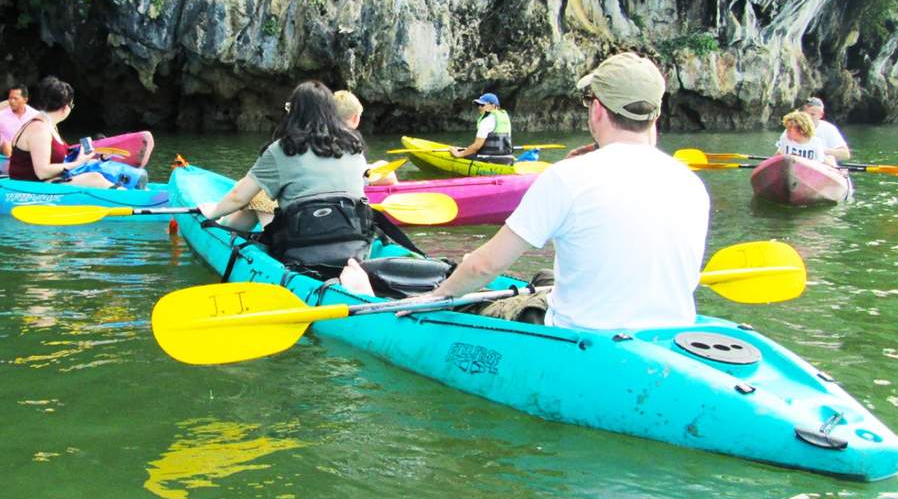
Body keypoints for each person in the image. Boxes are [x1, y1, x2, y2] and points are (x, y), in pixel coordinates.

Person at [348, 52, 709, 330]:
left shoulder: (568, 177)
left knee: (466, 301)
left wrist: (436, 297)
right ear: (655, 114)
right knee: (544, 280)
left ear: (597, 109)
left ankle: (364, 296)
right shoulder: (692, 184)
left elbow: (485, 265)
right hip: (666, 331)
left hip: (580, 336)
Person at [199, 81, 372, 280]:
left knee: (259, 197)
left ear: (295, 113)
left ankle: (223, 226)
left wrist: (212, 212)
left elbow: (239, 197)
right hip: (355, 247)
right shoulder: (353, 146)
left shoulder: (283, 149)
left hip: (300, 251)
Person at [7, 76, 111, 187]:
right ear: (66, 107)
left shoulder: (49, 124)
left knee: (96, 169)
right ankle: (128, 199)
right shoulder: (39, 129)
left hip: (46, 182)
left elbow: (60, 160)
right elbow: (42, 172)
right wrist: (77, 163)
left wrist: (96, 159)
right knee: (95, 179)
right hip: (30, 187)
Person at [333, 89, 399, 185]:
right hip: (351, 182)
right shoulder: (350, 139)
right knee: (389, 174)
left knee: (381, 164)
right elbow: (363, 175)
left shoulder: (318, 137)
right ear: (355, 118)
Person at [450, 92, 512, 158]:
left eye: (482, 105)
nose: (479, 107)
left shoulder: (487, 121)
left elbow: (477, 146)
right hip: (507, 158)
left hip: (488, 159)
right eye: (478, 104)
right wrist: (467, 150)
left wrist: (459, 154)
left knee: (461, 154)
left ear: (493, 106)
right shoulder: (505, 118)